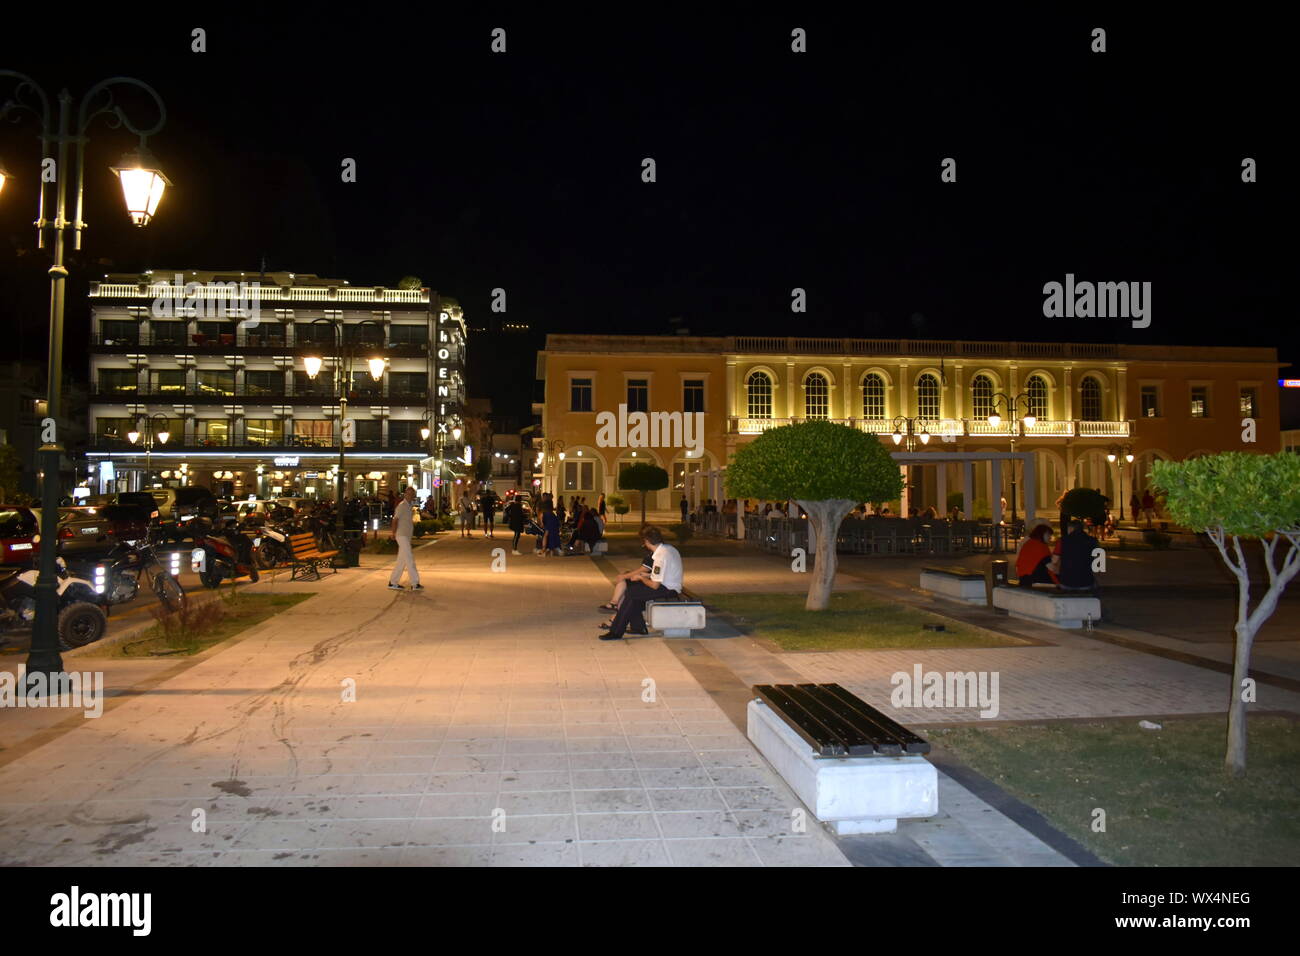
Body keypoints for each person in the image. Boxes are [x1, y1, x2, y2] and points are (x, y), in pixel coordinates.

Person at [599, 525, 683, 641]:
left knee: (632, 593)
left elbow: (654, 585)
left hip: (668, 590)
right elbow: (665, 573)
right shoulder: (668, 549)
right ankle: (638, 627)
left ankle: (616, 631)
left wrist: (641, 578)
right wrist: (646, 575)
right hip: (669, 585)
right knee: (634, 592)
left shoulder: (660, 557)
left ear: (647, 541)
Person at [388, 486, 422, 591]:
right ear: (405, 494)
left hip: (406, 536)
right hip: (401, 535)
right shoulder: (402, 506)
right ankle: (415, 583)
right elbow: (395, 520)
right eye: (410, 494)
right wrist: (393, 533)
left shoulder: (410, 505)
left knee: (401, 561)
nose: (412, 496)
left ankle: (393, 582)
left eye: (413, 494)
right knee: (409, 558)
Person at [1058, 520, 1100, 592]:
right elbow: (1098, 565)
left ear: (1071, 528)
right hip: (1086, 581)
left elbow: (1055, 559)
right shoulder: (1093, 541)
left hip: (1066, 581)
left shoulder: (1063, 540)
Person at [1015, 523, 1058, 587]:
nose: (1050, 538)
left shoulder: (1028, 543)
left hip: (1023, 578)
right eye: (1048, 535)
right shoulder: (1041, 546)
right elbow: (1051, 568)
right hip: (1034, 579)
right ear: (1042, 534)